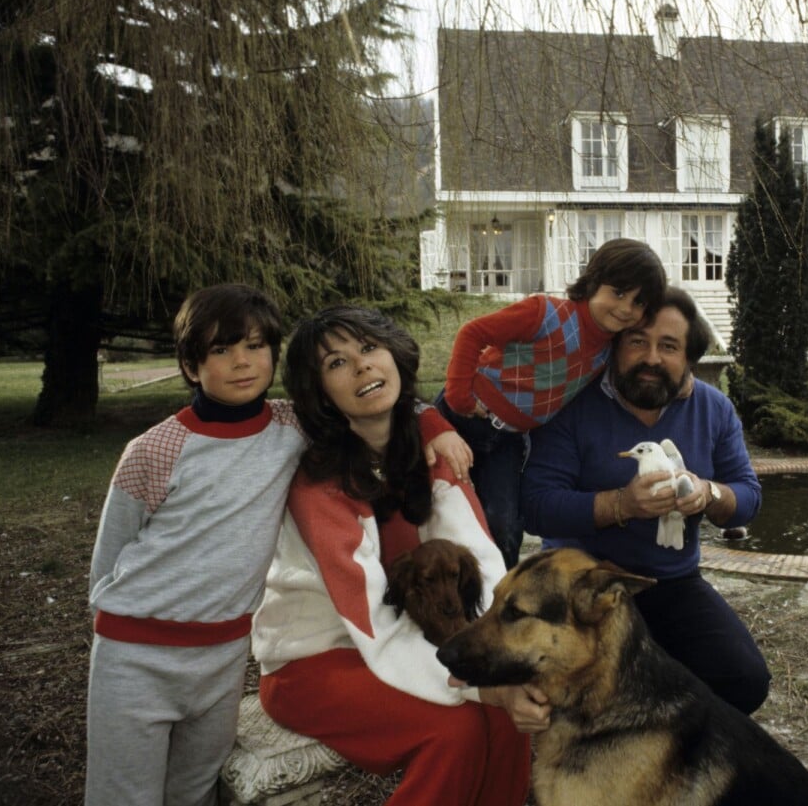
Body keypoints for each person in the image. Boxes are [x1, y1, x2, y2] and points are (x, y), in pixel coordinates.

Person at [85, 285, 469, 806]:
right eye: (220, 350)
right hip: (136, 655)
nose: (241, 362)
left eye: (255, 346)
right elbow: (109, 558)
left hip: (222, 655)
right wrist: (120, 628)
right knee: (123, 795)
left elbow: (380, 401)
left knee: (193, 790)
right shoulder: (154, 450)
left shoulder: (293, 428)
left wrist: (435, 423)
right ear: (192, 365)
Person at [251, 306, 544, 806]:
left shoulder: (429, 451)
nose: (362, 367)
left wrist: (503, 657)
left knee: (503, 712)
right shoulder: (319, 483)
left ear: (393, 355)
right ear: (320, 392)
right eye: (336, 364)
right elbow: (371, 623)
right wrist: (480, 685)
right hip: (312, 663)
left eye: (368, 349)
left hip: (404, 640)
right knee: (457, 732)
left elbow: (480, 562)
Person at [520, 286, 771, 715]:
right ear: (616, 347)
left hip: (672, 582)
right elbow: (537, 505)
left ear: (689, 358)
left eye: (668, 346)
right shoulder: (572, 404)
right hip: (583, 582)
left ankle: (673, 751)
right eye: (638, 341)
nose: (652, 358)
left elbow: (747, 497)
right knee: (573, 697)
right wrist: (622, 504)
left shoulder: (714, 408)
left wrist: (708, 493)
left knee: (744, 680)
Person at [436, 238, 667, 567]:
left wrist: (683, 380)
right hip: (462, 415)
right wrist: (458, 396)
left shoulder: (609, 348)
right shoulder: (544, 313)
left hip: (508, 439)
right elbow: (473, 333)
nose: (626, 309)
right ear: (593, 280)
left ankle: (493, 605)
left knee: (504, 528)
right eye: (618, 293)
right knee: (425, 499)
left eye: (639, 302)